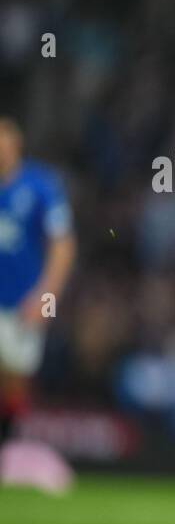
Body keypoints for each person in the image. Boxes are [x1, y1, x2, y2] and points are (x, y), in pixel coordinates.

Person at [0, 118, 75, 448]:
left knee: (15, 377)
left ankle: (9, 447)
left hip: (21, 302)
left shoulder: (41, 186)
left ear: (16, 145)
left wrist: (47, 297)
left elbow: (63, 244)